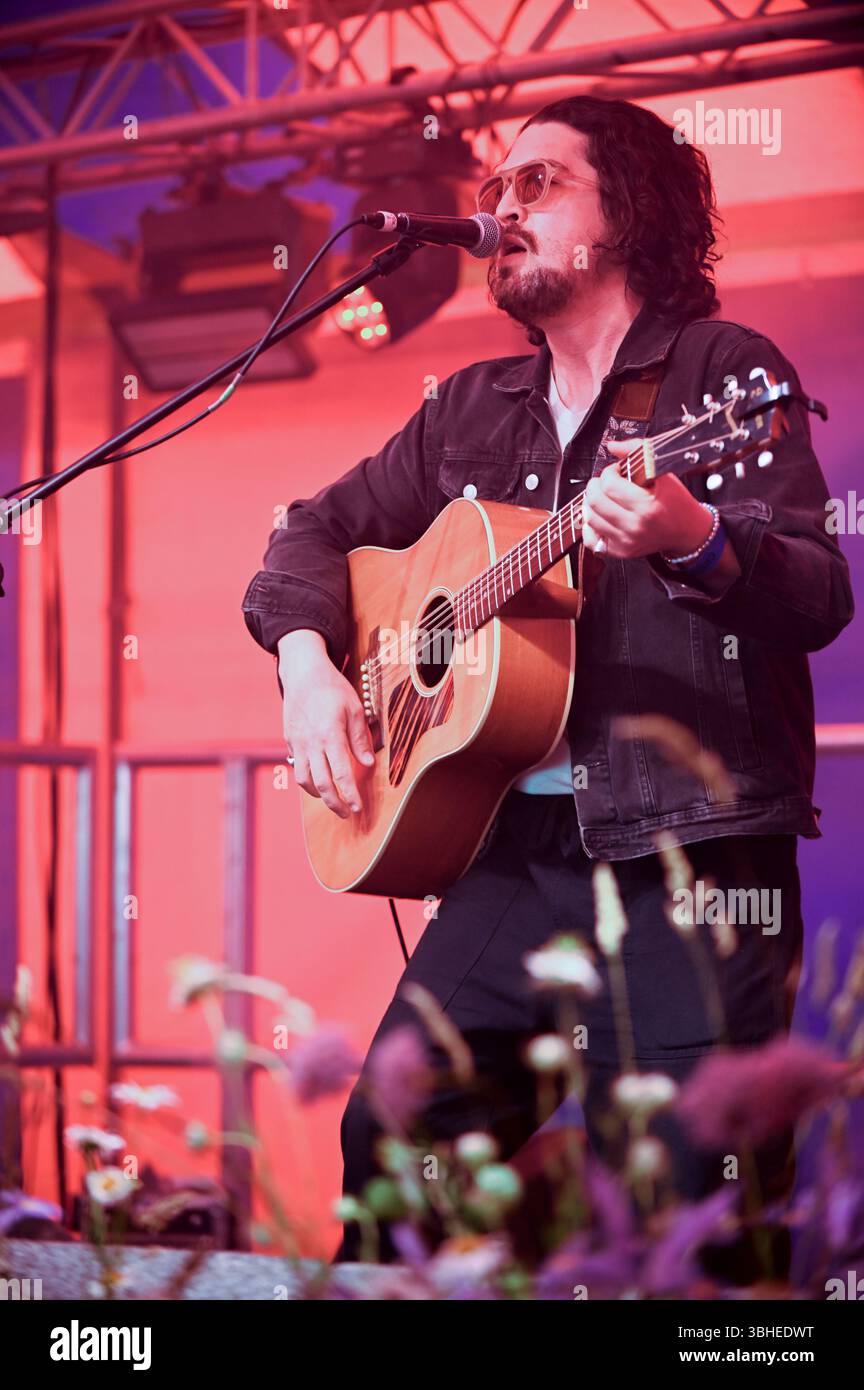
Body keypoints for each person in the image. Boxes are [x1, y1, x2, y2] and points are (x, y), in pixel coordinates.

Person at [242, 96, 853, 1274]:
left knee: (694, 1201)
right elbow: (311, 533)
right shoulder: (473, 406)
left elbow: (818, 592)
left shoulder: (726, 376)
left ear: (625, 211)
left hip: (691, 859)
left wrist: (693, 538)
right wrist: (310, 665)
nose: (499, 209)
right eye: (493, 191)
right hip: (518, 852)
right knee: (393, 1132)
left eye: (537, 185)